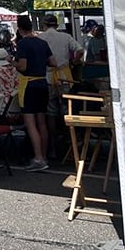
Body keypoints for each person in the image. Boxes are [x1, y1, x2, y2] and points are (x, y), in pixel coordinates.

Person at [14, 14, 56, 171]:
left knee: (30, 124)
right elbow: (53, 62)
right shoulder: (42, 42)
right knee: (42, 123)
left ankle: (38, 158)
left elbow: (23, 66)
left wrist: (12, 62)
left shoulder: (22, 44)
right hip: (42, 83)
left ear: (20, 29)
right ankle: (43, 156)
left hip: (29, 84)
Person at [38, 15, 83, 159]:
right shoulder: (65, 37)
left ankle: (53, 148)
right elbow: (80, 50)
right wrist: (73, 62)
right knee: (66, 110)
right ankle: (70, 145)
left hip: (48, 77)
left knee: (51, 112)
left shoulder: (40, 38)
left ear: (44, 25)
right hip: (64, 77)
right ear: (57, 25)